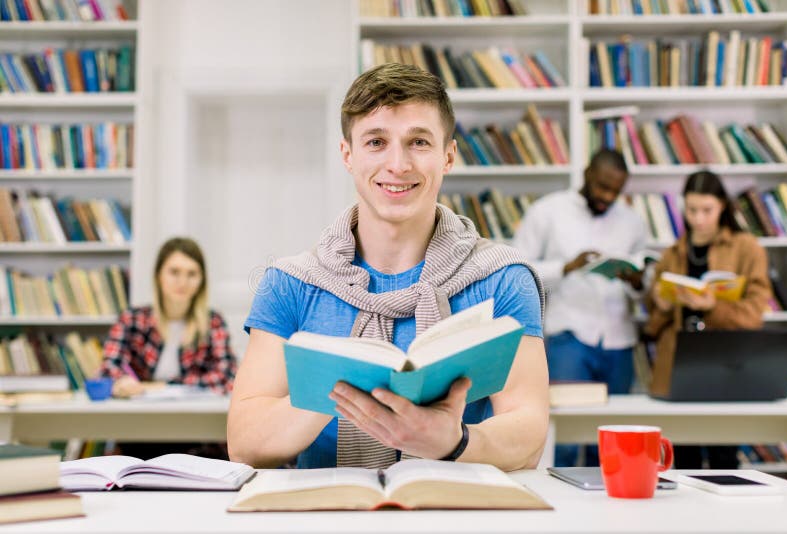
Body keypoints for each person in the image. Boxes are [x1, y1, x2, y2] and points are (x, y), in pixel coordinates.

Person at [227, 63, 549, 471]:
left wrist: (455, 440)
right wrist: (338, 385)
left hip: (456, 511)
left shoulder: (502, 278)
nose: (398, 164)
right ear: (348, 154)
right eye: (376, 142)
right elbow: (243, 442)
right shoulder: (288, 283)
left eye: (418, 142)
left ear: (448, 156)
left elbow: (529, 432)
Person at [512, 148, 648, 467]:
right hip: (568, 338)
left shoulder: (633, 223)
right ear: (587, 175)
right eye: (602, 187)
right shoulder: (548, 212)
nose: (607, 196)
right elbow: (517, 271)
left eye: (615, 191)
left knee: (618, 438)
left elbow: (643, 290)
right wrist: (566, 267)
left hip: (619, 340)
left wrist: (637, 281)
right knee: (566, 438)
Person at [644, 170, 771, 469]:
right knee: (683, 459)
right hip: (678, 367)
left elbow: (755, 313)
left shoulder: (747, 248)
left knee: (724, 459)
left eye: (707, 210)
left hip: (726, 365)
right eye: (691, 210)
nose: (698, 219)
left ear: (722, 207)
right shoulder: (672, 255)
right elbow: (652, 326)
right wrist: (661, 304)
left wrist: (712, 306)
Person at [100, 237, 238, 457]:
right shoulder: (132, 319)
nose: (182, 281)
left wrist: (161, 387)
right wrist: (121, 382)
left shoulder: (213, 322)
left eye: (192, 274)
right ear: (158, 276)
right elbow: (109, 367)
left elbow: (226, 376)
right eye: (174, 272)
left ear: (201, 281)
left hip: (197, 433)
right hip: (140, 431)